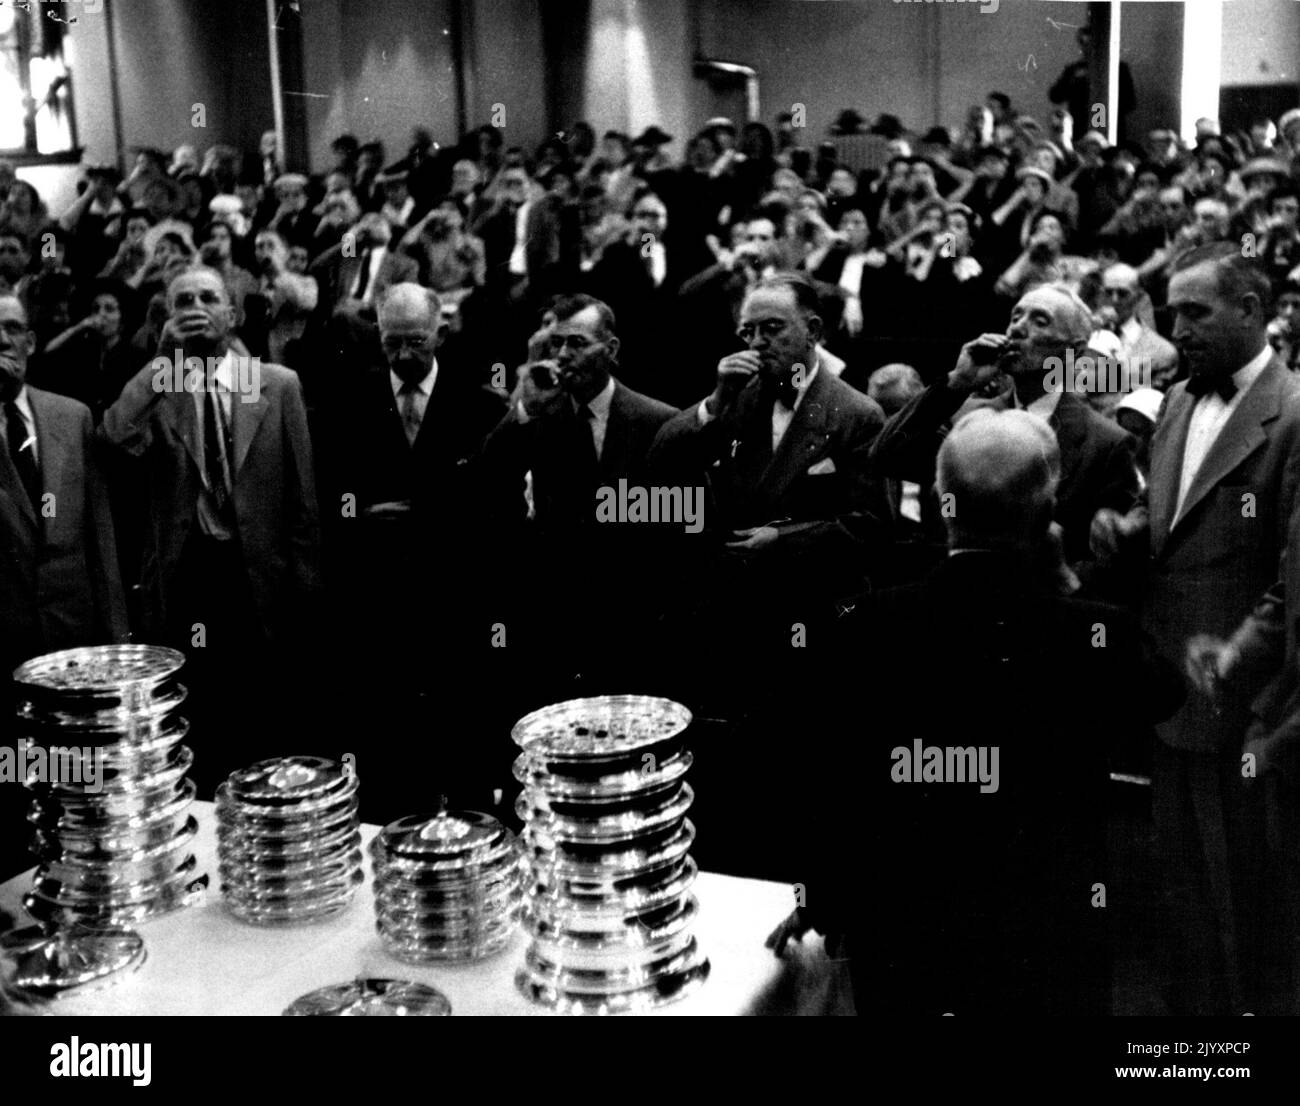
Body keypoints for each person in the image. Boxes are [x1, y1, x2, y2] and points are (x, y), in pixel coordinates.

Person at [770, 407, 1180, 1015]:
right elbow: (1163, 694)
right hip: (1047, 937)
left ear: (941, 502)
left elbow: (830, 786)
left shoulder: (861, 625)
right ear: (1046, 514)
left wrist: (823, 899)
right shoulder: (1095, 634)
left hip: (907, 932)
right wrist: (1065, 581)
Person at [1091, 242, 1300, 1014]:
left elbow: (1293, 574)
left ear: (1251, 311)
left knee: (1246, 902)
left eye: (1196, 312)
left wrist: (1241, 654)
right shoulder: (1179, 398)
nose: (1178, 328)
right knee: (1182, 895)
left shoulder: (1295, 415)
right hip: (1164, 685)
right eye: (1172, 312)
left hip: (1243, 700)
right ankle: (1193, 1045)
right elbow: (1175, 517)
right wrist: (1127, 528)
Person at [100, 267, 322, 792]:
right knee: (198, 730)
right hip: (189, 580)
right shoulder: (163, 386)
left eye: (208, 297)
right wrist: (163, 361)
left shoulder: (272, 382)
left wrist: (309, 601)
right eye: (182, 301)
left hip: (259, 582)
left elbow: (304, 506)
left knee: (268, 734)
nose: (196, 307)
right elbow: (111, 440)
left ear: (233, 314)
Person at [650, 273, 889, 628]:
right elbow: (663, 463)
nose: (758, 343)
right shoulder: (736, 398)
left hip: (816, 604)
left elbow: (872, 525)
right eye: (748, 332)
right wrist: (716, 403)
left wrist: (783, 538)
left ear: (813, 330)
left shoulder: (857, 413)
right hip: (733, 604)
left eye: (773, 328)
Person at [872, 283, 1139, 567]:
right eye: (1015, 318)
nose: (1017, 329)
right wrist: (958, 382)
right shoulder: (963, 418)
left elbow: (1109, 556)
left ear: (1074, 350)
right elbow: (886, 456)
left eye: (1039, 321)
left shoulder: (1106, 443)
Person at [0, 293, 127, 654]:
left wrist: (117, 639)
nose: (2, 340)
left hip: (74, 636)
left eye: (12, 328)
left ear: (31, 341)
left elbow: (100, 539)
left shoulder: (73, 417)